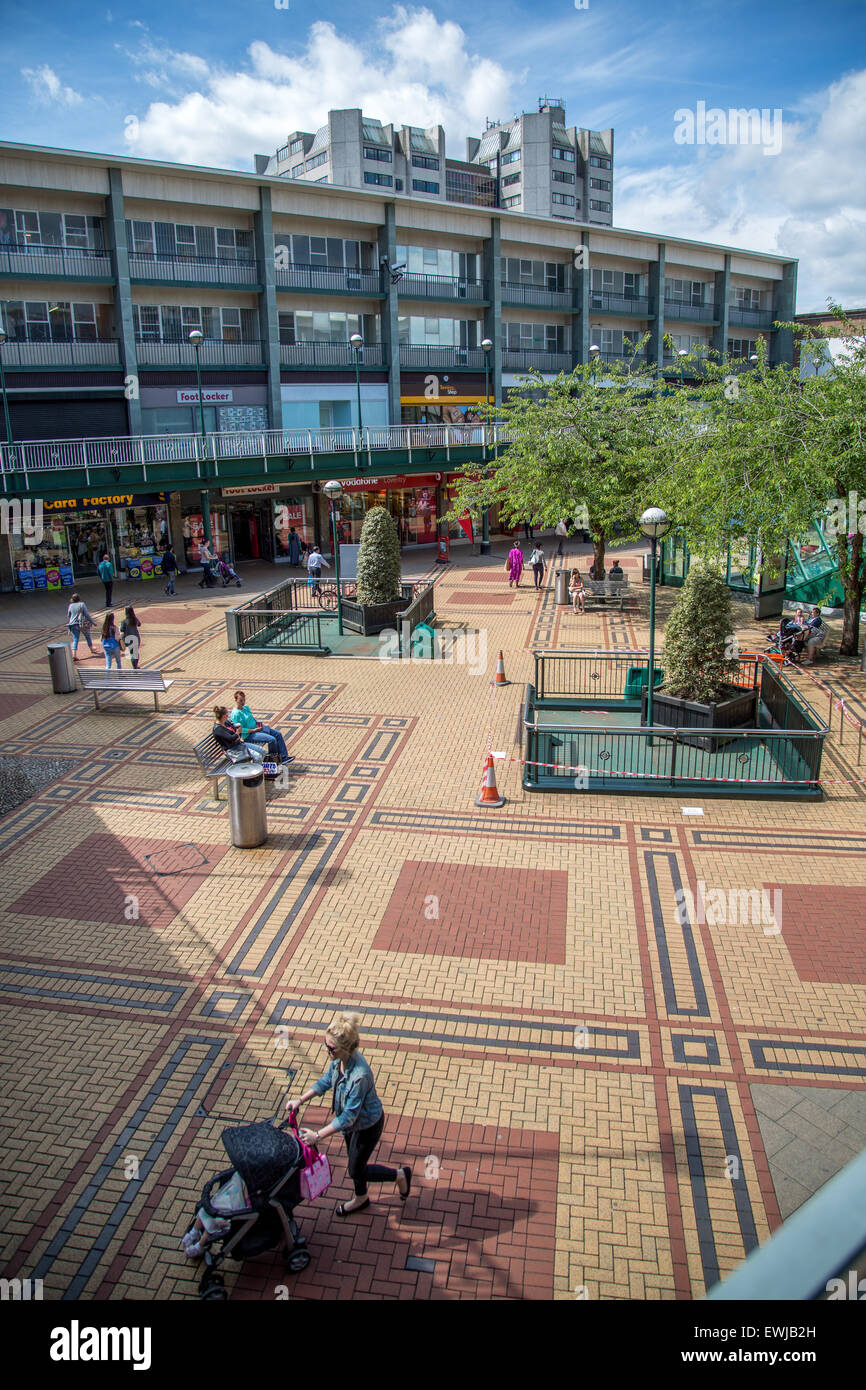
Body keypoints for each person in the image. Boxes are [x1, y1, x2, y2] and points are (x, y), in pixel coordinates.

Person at [286, 1012, 411, 1218]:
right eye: (325, 1045)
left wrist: (317, 1136)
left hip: (366, 1126)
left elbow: (348, 1118)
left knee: (355, 1169)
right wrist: (300, 1099)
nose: (327, 1051)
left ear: (345, 1048)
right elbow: (326, 1081)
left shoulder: (359, 1076)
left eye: (331, 1047)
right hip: (352, 1125)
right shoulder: (338, 1060)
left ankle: (399, 1176)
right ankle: (361, 1197)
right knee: (356, 1163)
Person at [229, 688, 293, 764]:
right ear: (236, 700)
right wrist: (253, 730)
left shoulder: (246, 707)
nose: (243, 702)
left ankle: (283, 757)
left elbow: (251, 718)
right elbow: (240, 729)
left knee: (277, 734)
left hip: (256, 729)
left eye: (244, 700)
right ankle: (272, 760)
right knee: (272, 740)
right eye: (241, 701)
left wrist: (258, 724)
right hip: (248, 735)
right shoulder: (235, 714)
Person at [67, 592, 96, 659]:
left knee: (75, 639)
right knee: (87, 636)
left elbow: (68, 615)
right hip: (82, 624)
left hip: (73, 624)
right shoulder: (82, 604)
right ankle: (91, 649)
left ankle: (74, 654)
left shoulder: (70, 605)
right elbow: (87, 614)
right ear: (79, 598)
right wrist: (93, 622)